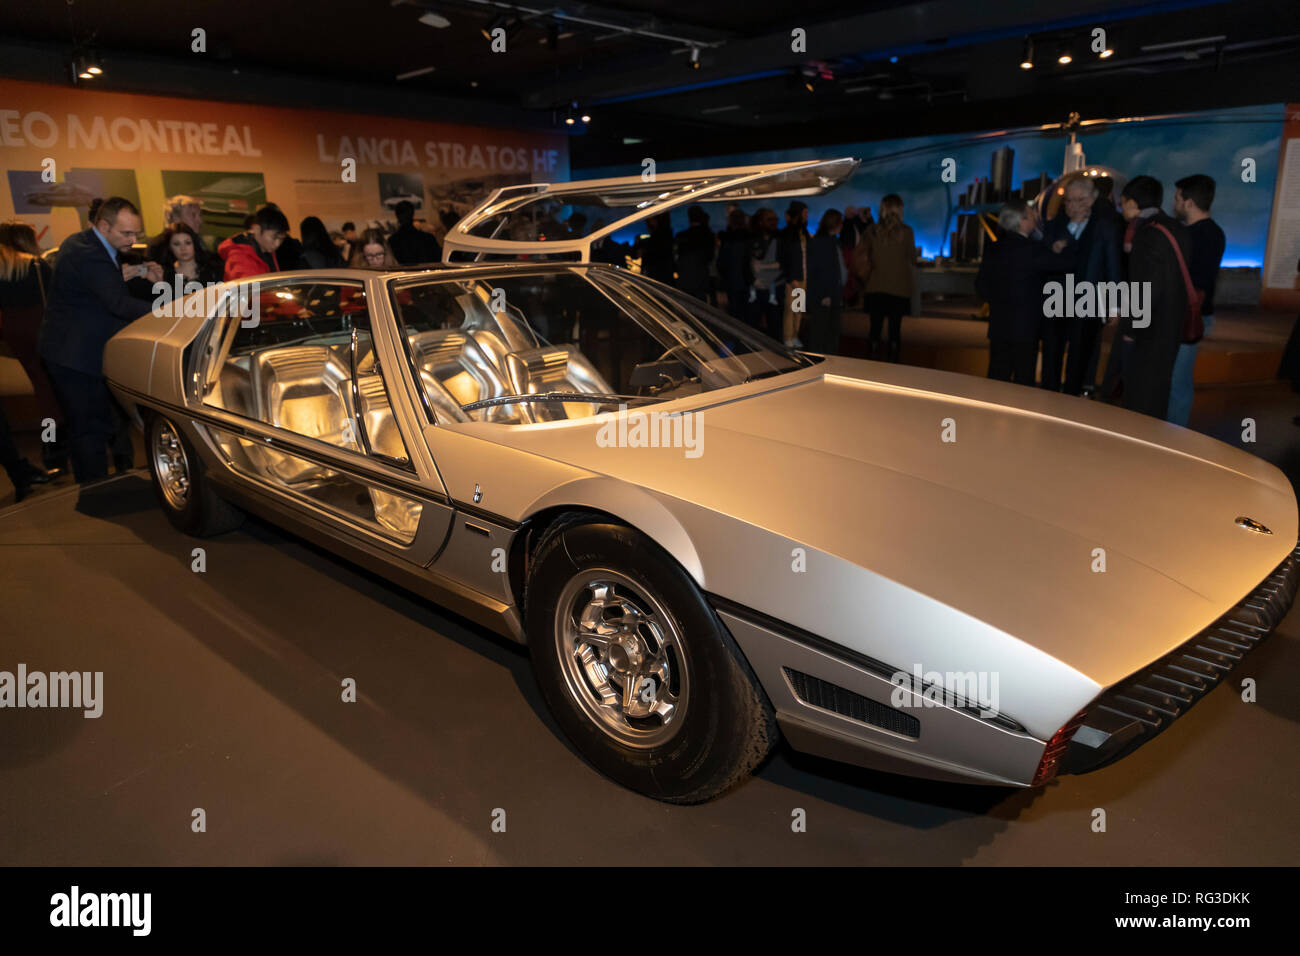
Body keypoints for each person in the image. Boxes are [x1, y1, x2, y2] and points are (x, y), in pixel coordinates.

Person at [37, 197, 159, 482]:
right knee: (88, 428)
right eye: (126, 233)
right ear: (104, 225)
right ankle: (95, 491)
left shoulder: (85, 243)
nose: (132, 240)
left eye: (135, 233)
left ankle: (99, 483)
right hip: (73, 356)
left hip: (76, 350)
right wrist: (170, 312)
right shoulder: (88, 253)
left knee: (96, 424)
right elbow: (117, 303)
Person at [1106, 175, 1190, 419]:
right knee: (1157, 394)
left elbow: (1144, 288)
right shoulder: (1175, 228)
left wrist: (1131, 332)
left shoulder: (1145, 234)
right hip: (1171, 326)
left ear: (1132, 203)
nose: (1121, 210)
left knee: (1139, 399)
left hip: (1149, 332)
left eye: (1122, 203)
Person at [976, 199, 1073, 384]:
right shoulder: (1032, 249)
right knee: (1024, 381)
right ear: (1022, 220)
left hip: (998, 325)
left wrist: (997, 303)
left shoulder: (993, 248)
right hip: (1026, 328)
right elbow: (1066, 264)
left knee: (996, 377)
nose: (1036, 217)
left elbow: (981, 286)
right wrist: (1060, 248)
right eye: (1031, 213)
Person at [1040, 177, 1122, 394]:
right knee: (1051, 355)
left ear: (1093, 199)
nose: (1074, 205)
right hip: (1056, 296)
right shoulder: (1054, 224)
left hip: (1088, 300)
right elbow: (1048, 253)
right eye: (1069, 201)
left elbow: (1112, 264)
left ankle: (1071, 403)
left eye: (1080, 200)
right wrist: (1072, 227)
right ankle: (1047, 400)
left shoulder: (1104, 225)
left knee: (1079, 357)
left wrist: (1114, 306)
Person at [0, 221, 60, 481]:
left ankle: (50, 449)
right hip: (41, 327)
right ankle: (55, 448)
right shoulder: (35, 265)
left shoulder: (3, 266)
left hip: (12, 331)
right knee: (53, 388)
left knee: (40, 387)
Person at [1167, 174, 1225, 426]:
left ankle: (1174, 437)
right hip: (1194, 314)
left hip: (1188, 316)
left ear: (1188, 202)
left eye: (1177, 198)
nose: (1174, 203)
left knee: (1178, 382)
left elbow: (1194, 279)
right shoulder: (1214, 233)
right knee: (1177, 379)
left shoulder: (1194, 235)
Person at [858, 194, 916, 362]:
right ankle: (894, 366)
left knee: (874, 330)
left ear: (882, 209)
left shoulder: (872, 231)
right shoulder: (907, 232)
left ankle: (870, 366)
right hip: (899, 288)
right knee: (895, 331)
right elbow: (912, 258)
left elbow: (862, 253)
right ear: (900, 210)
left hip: (875, 286)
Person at [804, 209, 846, 354]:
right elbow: (816, 271)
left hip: (832, 296)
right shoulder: (822, 243)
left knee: (829, 335)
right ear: (835, 224)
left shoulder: (832, 242)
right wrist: (823, 295)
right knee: (821, 336)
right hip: (825, 298)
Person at [218, 204, 289, 280]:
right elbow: (247, 289)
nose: (277, 244)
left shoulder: (265, 250)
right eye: (274, 238)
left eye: (281, 239)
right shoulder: (239, 256)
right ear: (257, 229)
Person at [145, 222, 222, 287]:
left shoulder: (212, 269)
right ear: (170, 248)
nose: (183, 248)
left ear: (194, 244)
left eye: (187, 243)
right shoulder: (165, 275)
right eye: (177, 244)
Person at [778, 201, 810, 346]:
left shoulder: (803, 232)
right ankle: (788, 337)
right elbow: (784, 257)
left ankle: (794, 335)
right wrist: (790, 277)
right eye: (804, 213)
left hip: (803, 276)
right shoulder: (788, 234)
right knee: (791, 308)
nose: (807, 216)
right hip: (794, 278)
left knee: (798, 308)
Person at [747, 207, 783, 340]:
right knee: (752, 326)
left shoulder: (781, 238)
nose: (774, 222)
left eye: (775, 219)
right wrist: (753, 281)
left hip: (777, 287)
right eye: (770, 220)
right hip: (757, 290)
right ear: (761, 222)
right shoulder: (751, 239)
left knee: (777, 325)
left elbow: (785, 262)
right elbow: (745, 264)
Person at [674, 205, 716, 303]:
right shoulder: (708, 235)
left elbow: (676, 257)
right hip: (701, 280)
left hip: (685, 280)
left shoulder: (681, 236)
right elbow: (710, 256)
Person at [716, 207, 752, 322]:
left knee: (735, 314)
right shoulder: (748, 238)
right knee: (746, 314)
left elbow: (721, 263)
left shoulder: (728, 239)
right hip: (745, 282)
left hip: (733, 281)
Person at [387, 200, 442, 266]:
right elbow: (438, 261)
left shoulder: (392, 241)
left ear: (397, 216)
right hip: (427, 274)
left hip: (403, 275)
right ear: (413, 214)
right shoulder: (428, 238)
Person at [636, 214, 675, 285]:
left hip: (656, 278)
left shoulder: (657, 239)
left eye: (650, 219)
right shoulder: (666, 237)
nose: (647, 223)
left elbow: (638, 254)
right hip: (662, 277)